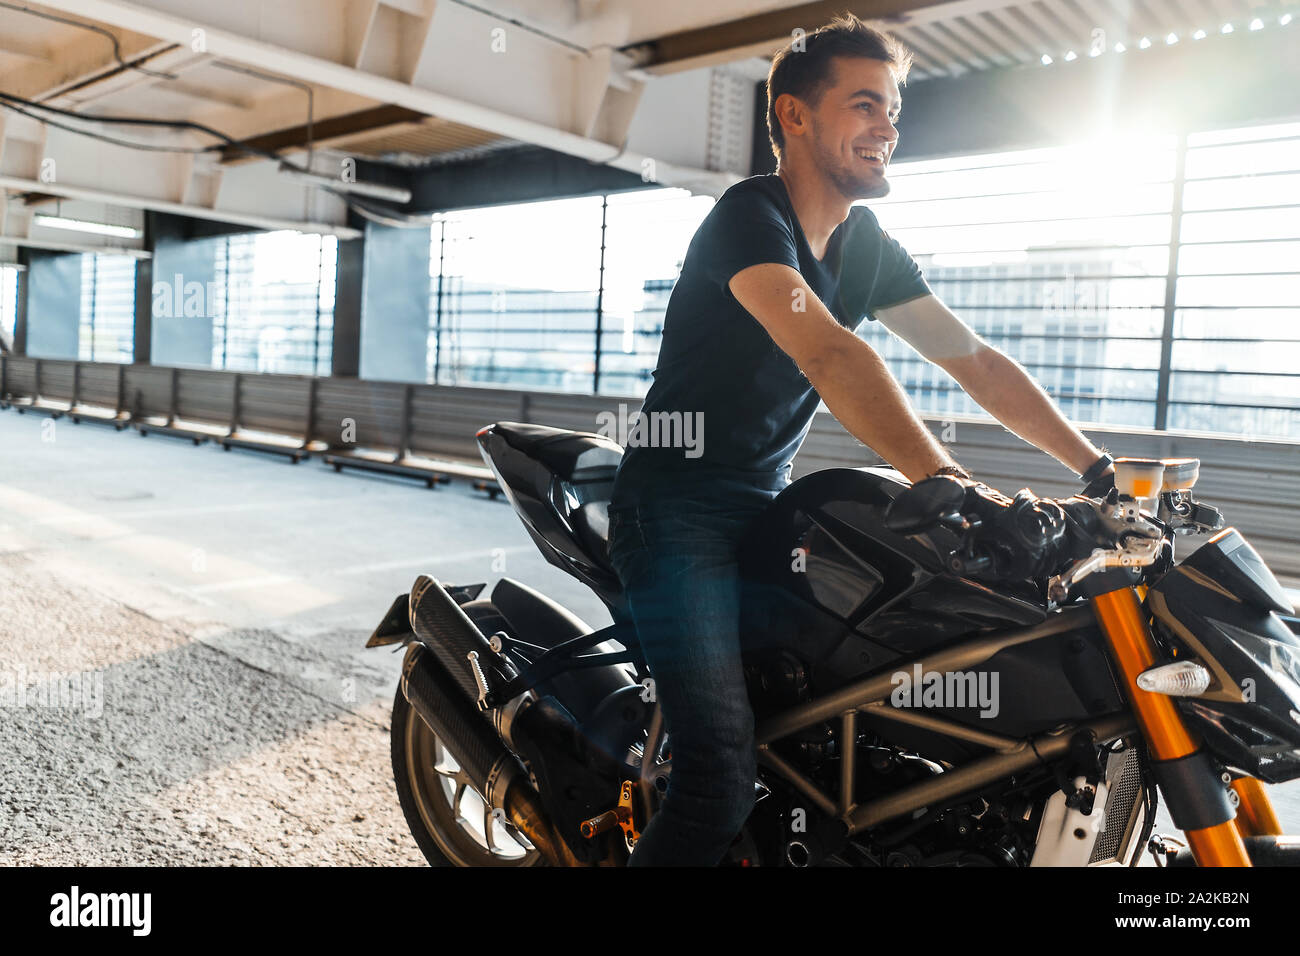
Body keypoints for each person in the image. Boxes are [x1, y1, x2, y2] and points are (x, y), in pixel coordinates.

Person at [605, 14, 1115, 867]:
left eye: (895, 110)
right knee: (718, 779)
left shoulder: (863, 246)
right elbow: (829, 351)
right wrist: (946, 481)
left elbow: (975, 362)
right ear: (795, 114)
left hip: (768, 505)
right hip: (674, 513)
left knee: (840, 711)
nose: (889, 127)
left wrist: (1098, 471)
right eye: (866, 104)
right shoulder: (749, 219)